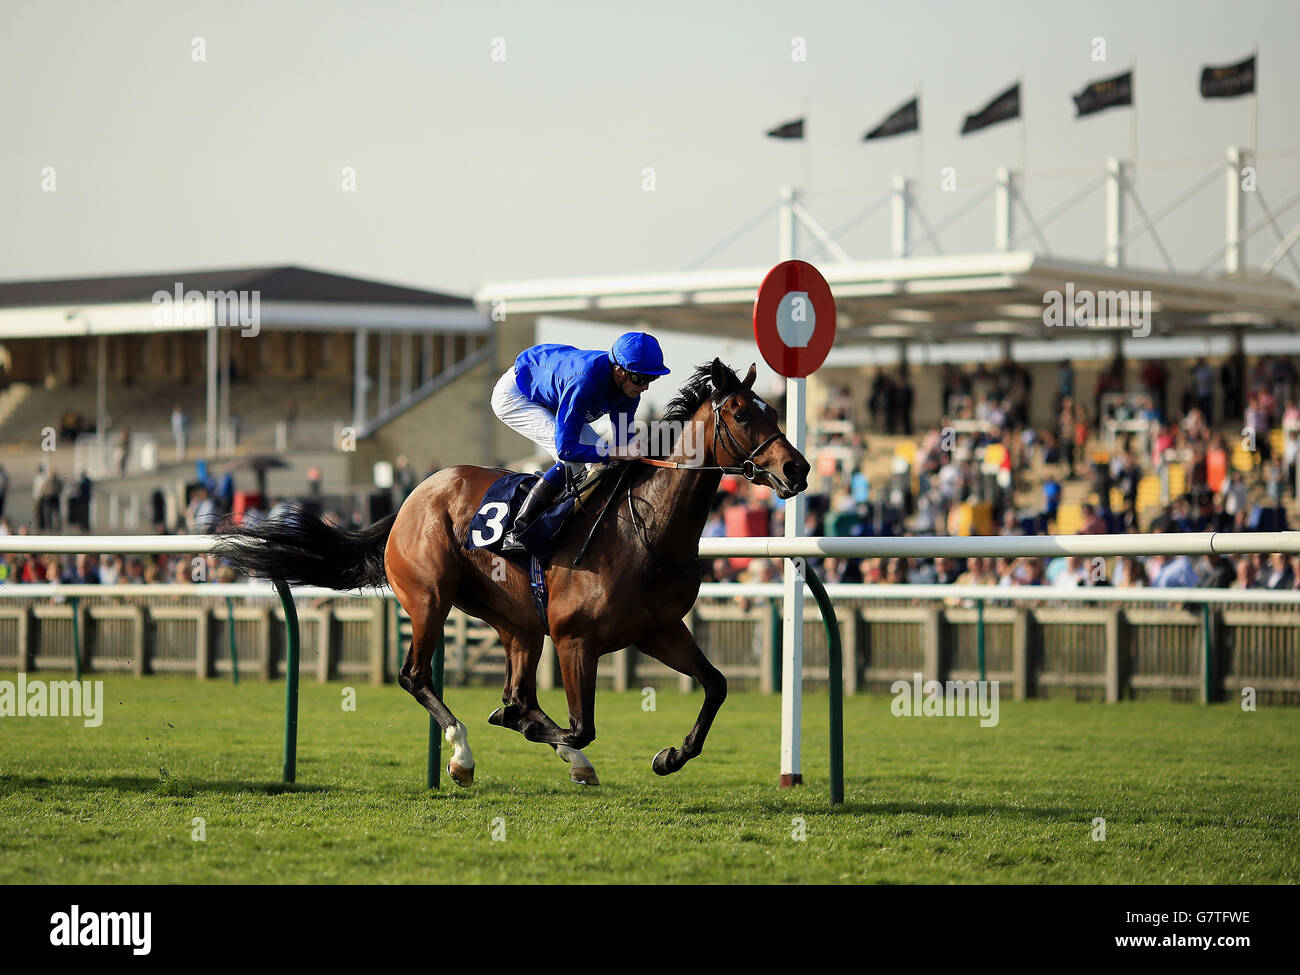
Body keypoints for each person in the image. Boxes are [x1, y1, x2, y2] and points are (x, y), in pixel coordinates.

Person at [490, 332, 668, 552]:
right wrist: (614, 453)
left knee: (601, 460)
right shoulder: (584, 382)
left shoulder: (629, 391)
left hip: (554, 394)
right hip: (517, 395)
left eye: (652, 379)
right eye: (641, 379)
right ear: (619, 371)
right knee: (572, 462)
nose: (646, 387)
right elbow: (567, 450)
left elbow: (624, 446)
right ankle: (518, 530)